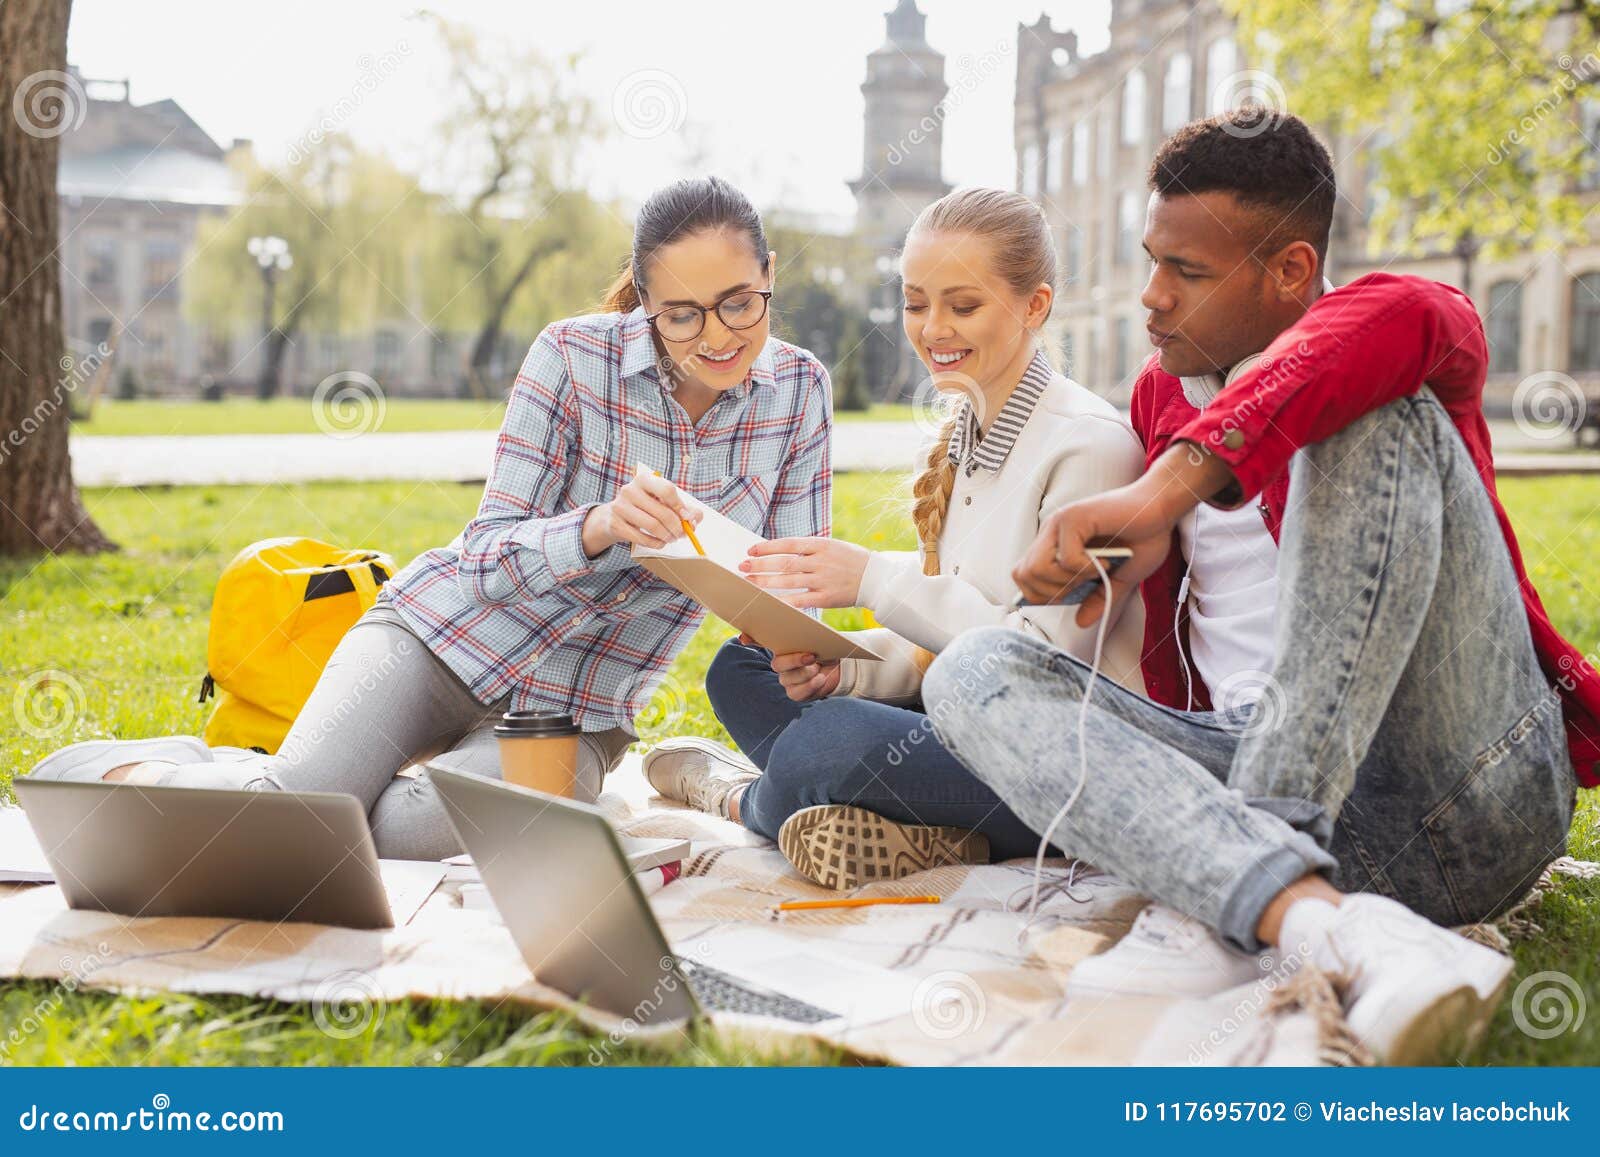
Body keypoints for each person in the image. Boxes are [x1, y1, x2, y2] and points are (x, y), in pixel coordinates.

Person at [920, 109, 1598, 1064]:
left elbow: (1392, 320)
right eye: (1151, 261)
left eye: (1187, 272)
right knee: (971, 672)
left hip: (1463, 789)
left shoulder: (1409, 325)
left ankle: (1251, 859)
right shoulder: (1159, 392)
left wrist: (1164, 489)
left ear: (1290, 270)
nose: (1152, 296)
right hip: (1292, 814)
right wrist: (1140, 552)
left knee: (1364, 400)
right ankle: (1314, 920)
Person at [27, 176, 834, 863]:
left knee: (401, 834)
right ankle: (166, 771)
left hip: (578, 712)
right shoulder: (572, 357)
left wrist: (793, 642)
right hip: (441, 636)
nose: (717, 336)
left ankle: (317, 791)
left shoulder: (800, 392)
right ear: (646, 301)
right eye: (683, 314)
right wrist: (597, 527)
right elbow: (484, 555)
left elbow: (795, 578)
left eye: (740, 303)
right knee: (299, 817)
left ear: (769, 274)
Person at [643, 187, 1147, 889]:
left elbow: (1042, 668)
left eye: (962, 306)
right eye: (915, 303)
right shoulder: (969, 432)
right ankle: (914, 826)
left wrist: (873, 580)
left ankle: (745, 798)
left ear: (1034, 306)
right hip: (959, 726)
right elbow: (943, 644)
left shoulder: (1089, 447)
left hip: (1053, 767)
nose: (933, 328)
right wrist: (842, 672)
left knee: (829, 742)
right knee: (742, 668)